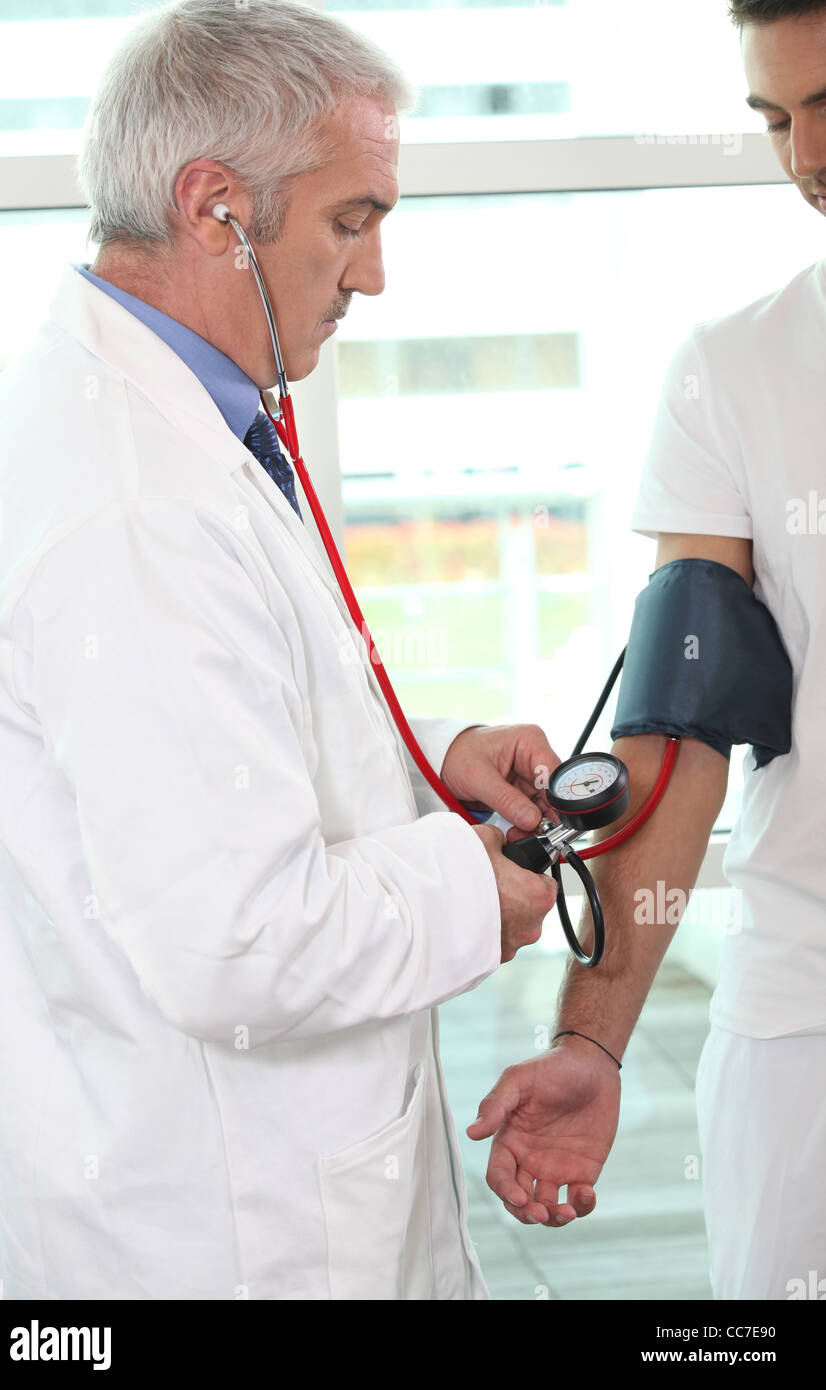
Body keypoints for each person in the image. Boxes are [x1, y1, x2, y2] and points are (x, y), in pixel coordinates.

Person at [0, 0, 561, 1301]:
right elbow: (235, 940)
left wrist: (429, 762)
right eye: (354, 219)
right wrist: (480, 885)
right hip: (222, 1233)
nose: (374, 273)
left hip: (228, 1182)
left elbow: (228, 750)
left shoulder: (164, 420)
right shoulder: (126, 495)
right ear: (213, 204)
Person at [468, 0, 826, 1301]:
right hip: (807, 1026)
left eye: (824, 107)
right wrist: (595, 1039)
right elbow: (677, 726)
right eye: (774, 119)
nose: (802, 158)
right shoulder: (732, 371)